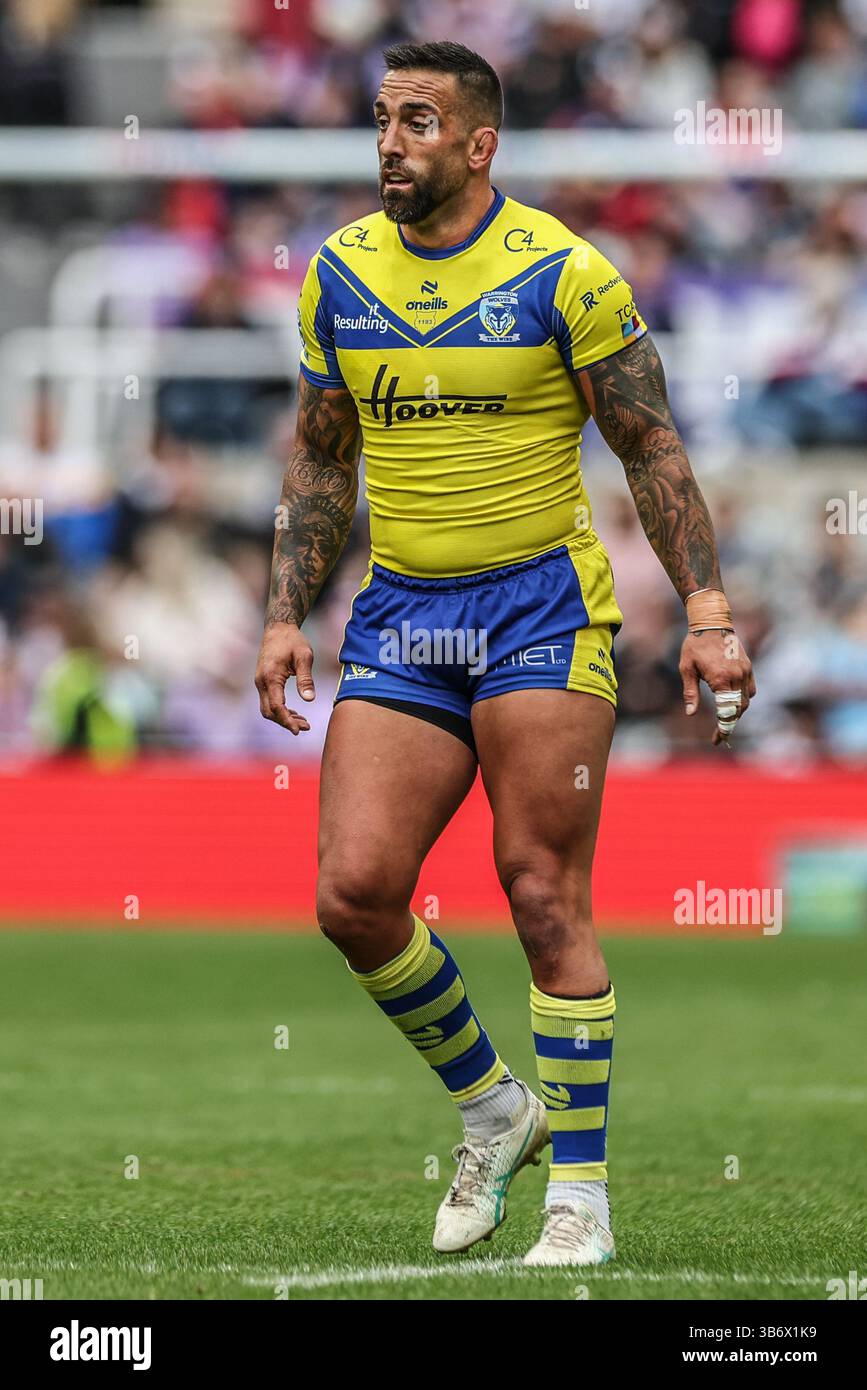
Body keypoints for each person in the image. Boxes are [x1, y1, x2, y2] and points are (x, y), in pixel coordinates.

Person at [255, 40, 755, 1266]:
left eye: (417, 121)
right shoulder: (337, 275)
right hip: (403, 619)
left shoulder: (562, 272)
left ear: (479, 144)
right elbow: (324, 455)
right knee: (354, 894)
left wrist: (705, 610)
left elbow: (652, 446)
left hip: (540, 611)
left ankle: (578, 1196)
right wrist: (283, 610)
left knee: (540, 890)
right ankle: (494, 1104)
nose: (389, 141)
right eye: (381, 118)